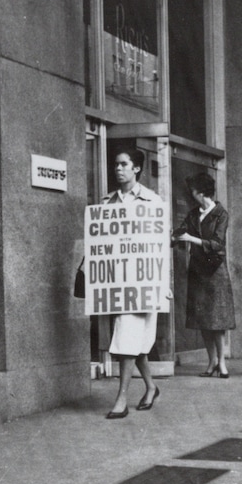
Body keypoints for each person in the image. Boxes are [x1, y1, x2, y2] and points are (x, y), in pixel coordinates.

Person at [102, 148, 161, 418]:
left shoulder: (151, 201)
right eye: (116, 164)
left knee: (128, 335)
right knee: (131, 337)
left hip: (143, 282)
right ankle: (150, 386)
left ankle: (122, 398)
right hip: (117, 282)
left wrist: (163, 283)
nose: (118, 169)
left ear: (137, 168)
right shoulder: (107, 204)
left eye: (124, 164)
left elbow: (160, 246)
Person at [172, 171, 235, 377]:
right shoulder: (193, 214)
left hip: (215, 272)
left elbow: (217, 244)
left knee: (217, 321)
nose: (191, 194)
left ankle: (222, 363)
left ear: (200, 192)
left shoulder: (221, 214)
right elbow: (181, 232)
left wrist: (191, 239)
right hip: (198, 271)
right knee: (203, 321)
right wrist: (173, 236)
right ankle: (212, 362)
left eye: (193, 191)